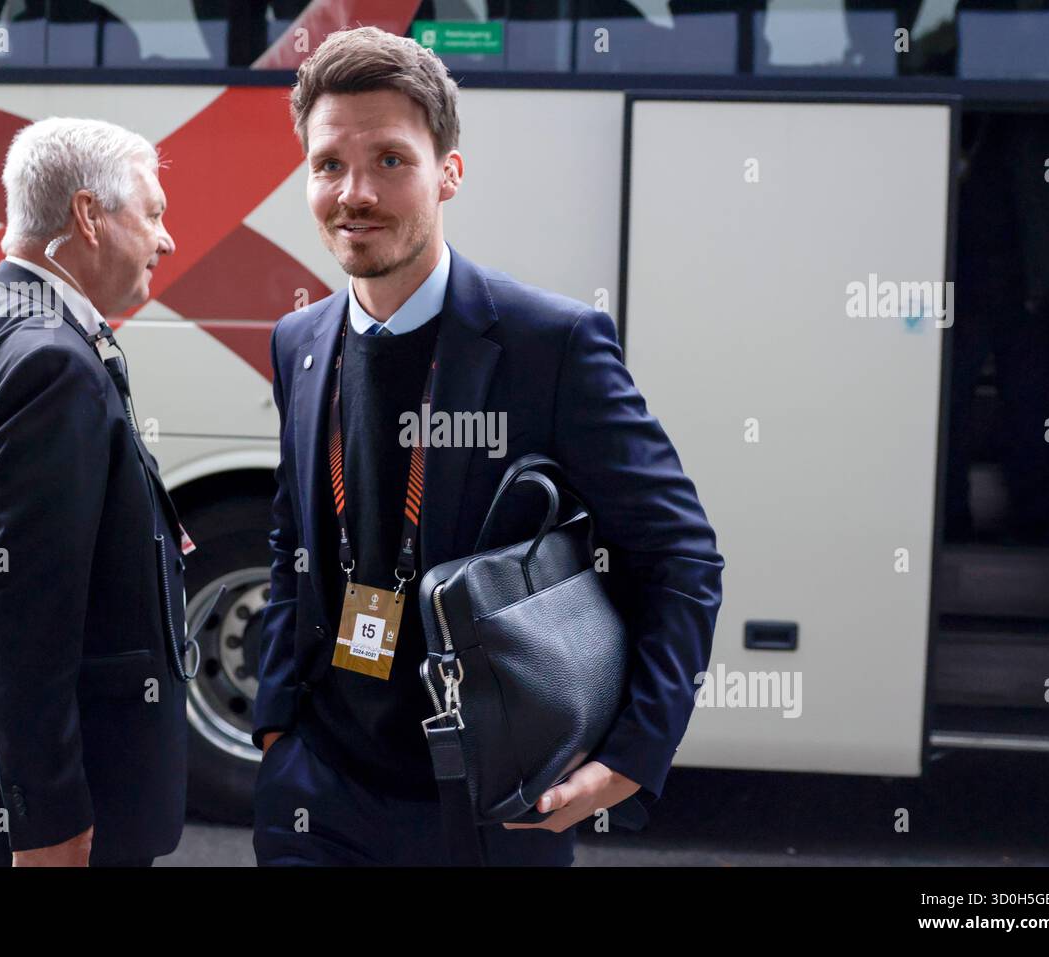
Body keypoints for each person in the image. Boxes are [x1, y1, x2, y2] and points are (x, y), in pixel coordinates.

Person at [252, 26, 724, 866]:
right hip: (317, 798)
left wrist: (627, 758)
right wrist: (275, 723)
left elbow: (679, 554)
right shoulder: (299, 340)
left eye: (391, 161)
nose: (354, 192)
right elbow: (293, 537)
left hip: (486, 809)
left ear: (450, 173)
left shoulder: (554, 344)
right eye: (329, 165)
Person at [0, 117, 185, 867]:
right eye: (152, 213)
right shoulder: (51, 362)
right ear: (88, 216)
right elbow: (26, 612)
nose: (167, 239)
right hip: (61, 810)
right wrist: (48, 819)